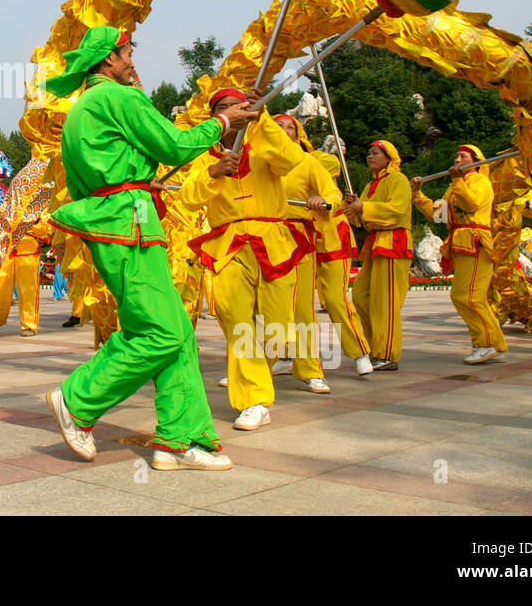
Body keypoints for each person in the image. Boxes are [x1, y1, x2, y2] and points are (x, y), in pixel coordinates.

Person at [41, 26, 259, 472]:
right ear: (108, 60)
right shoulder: (119, 98)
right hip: (129, 227)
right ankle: (77, 398)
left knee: (177, 333)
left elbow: (106, 173)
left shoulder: (83, 108)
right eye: (127, 52)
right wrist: (223, 122)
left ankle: (180, 441)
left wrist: (142, 182)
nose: (131, 60)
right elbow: (174, 143)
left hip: (121, 220)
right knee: (158, 333)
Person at [182, 90, 307, 431]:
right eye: (222, 109)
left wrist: (263, 119)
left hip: (273, 238)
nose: (231, 112)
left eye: (237, 107)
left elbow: (290, 160)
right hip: (229, 243)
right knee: (236, 321)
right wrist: (214, 173)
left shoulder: (264, 141)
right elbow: (189, 198)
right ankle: (254, 399)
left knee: (279, 326)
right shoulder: (202, 156)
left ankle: (261, 373)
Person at [411, 145, 506, 364]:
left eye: (463, 156)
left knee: (467, 297)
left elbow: (471, 204)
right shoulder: (455, 186)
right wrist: (418, 194)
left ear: (476, 161)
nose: (457, 159)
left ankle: (486, 343)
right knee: (470, 297)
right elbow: (438, 215)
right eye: (456, 156)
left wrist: (457, 181)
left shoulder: (480, 182)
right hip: (460, 243)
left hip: (475, 241)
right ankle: (495, 344)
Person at [273, 115, 348, 392]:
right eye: (277, 125)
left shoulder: (307, 162)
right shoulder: (256, 158)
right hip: (263, 238)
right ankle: (253, 368)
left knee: (303, 307)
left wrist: (323, 201)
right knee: (261, 308)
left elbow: (332, 192)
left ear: (297, 134)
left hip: (298, 237)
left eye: (289, 126)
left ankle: (310, 368)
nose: (283, 129)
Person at [344, 140, 413, 371]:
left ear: (388, 156)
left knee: (386, 301)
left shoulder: (398, 180)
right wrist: (352, 208)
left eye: (375, 153)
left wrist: (363, 207)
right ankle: (375, 347)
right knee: (362, 296)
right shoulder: (370, 185)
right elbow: (361, 220)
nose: (369, 156)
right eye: (368, 153)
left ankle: (387, 353)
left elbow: (397, 210)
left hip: (394, 242)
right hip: (375, 243)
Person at [0, 212, 53, 336]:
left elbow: (46, 230)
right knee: (0, 286)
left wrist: (36, 220)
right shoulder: (6, 206)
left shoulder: (38, 206)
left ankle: (28, 325)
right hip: (6, 249)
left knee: (27, 289)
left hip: (27, 250)